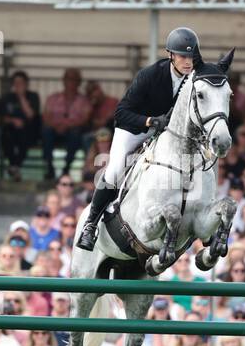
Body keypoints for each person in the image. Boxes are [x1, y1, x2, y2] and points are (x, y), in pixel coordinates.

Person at [77, 27, 204, 251]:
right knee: (115, 169)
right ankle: (91, 224)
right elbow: (121, 112)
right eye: (183, 56)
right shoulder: (150, 75)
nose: (188, 61)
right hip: (134, 129)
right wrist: (150, 121)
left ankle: (199, 225)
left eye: (191, 56)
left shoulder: (194, 79)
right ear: (171, 55)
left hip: (167, 134)